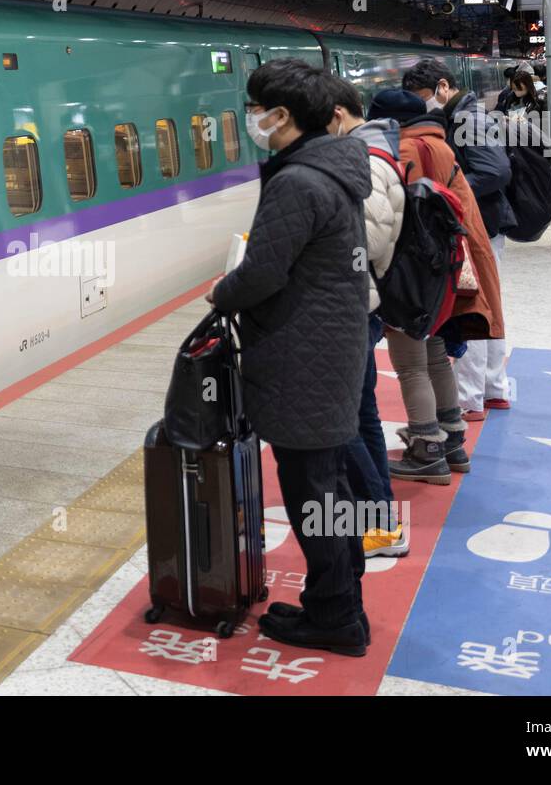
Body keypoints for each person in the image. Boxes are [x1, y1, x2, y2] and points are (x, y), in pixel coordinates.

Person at [207, 58, 372, 656]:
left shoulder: (297, 181)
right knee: (332, 487)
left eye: (255, 108)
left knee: (313, 493)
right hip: (330, 347)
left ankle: (335, 617)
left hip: (304, 355)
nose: (250, 117)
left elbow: (263, 274)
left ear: (281, 117)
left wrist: (221, 292)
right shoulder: (333, 169)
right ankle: (341, 601)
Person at [366, 89, 505, 484]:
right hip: (440, 271)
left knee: (410, 364)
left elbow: (392, 214)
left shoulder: (406, 151)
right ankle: (452, 442)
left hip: (413, 273)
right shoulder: (440, 145)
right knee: (435, 354)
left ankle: (426, 448)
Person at [323, 75, 407, 559]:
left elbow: (370, 242)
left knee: (346, 419)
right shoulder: (372, 148)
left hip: (356, 305)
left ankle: (378, 523)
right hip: (364, 303)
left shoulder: (366, 159)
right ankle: (381, 521)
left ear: (336, 114)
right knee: (362, 414)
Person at [402, 59, 513, 421]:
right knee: (489, 304)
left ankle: (470, 397)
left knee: (473, 307)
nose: (424, 104)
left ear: (443, 86)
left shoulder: (467, 119)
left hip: (478, 222)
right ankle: (495, 389)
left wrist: (449, 192)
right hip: (478, 220)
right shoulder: (462, 114)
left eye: (425, 96)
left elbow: (495, 171)